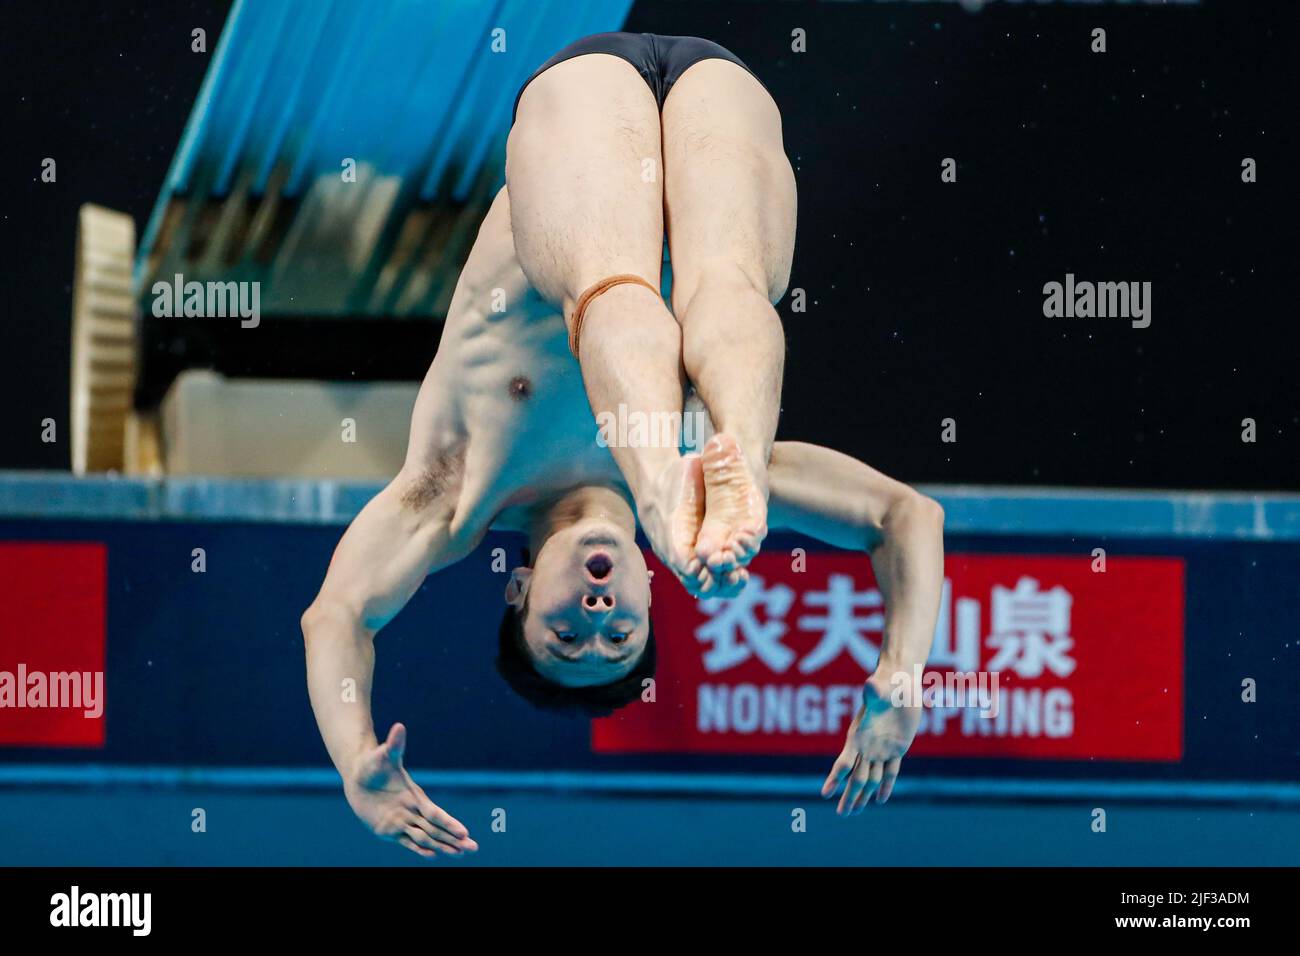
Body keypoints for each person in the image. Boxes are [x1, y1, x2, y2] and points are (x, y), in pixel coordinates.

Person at [300, 33, 945, 860]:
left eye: (565, 636)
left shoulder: (460, 496)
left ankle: (659, 490)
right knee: (730, 287)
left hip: (587, 109)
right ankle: (727, 456)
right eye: (621, 638)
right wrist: (899, 676)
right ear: (648, 592)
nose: (597, 621)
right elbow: (904, 514)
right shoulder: (731, 507)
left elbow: (340, 614)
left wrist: (355, 761)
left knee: (611, 286)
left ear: (519, 590)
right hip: (722, 95)